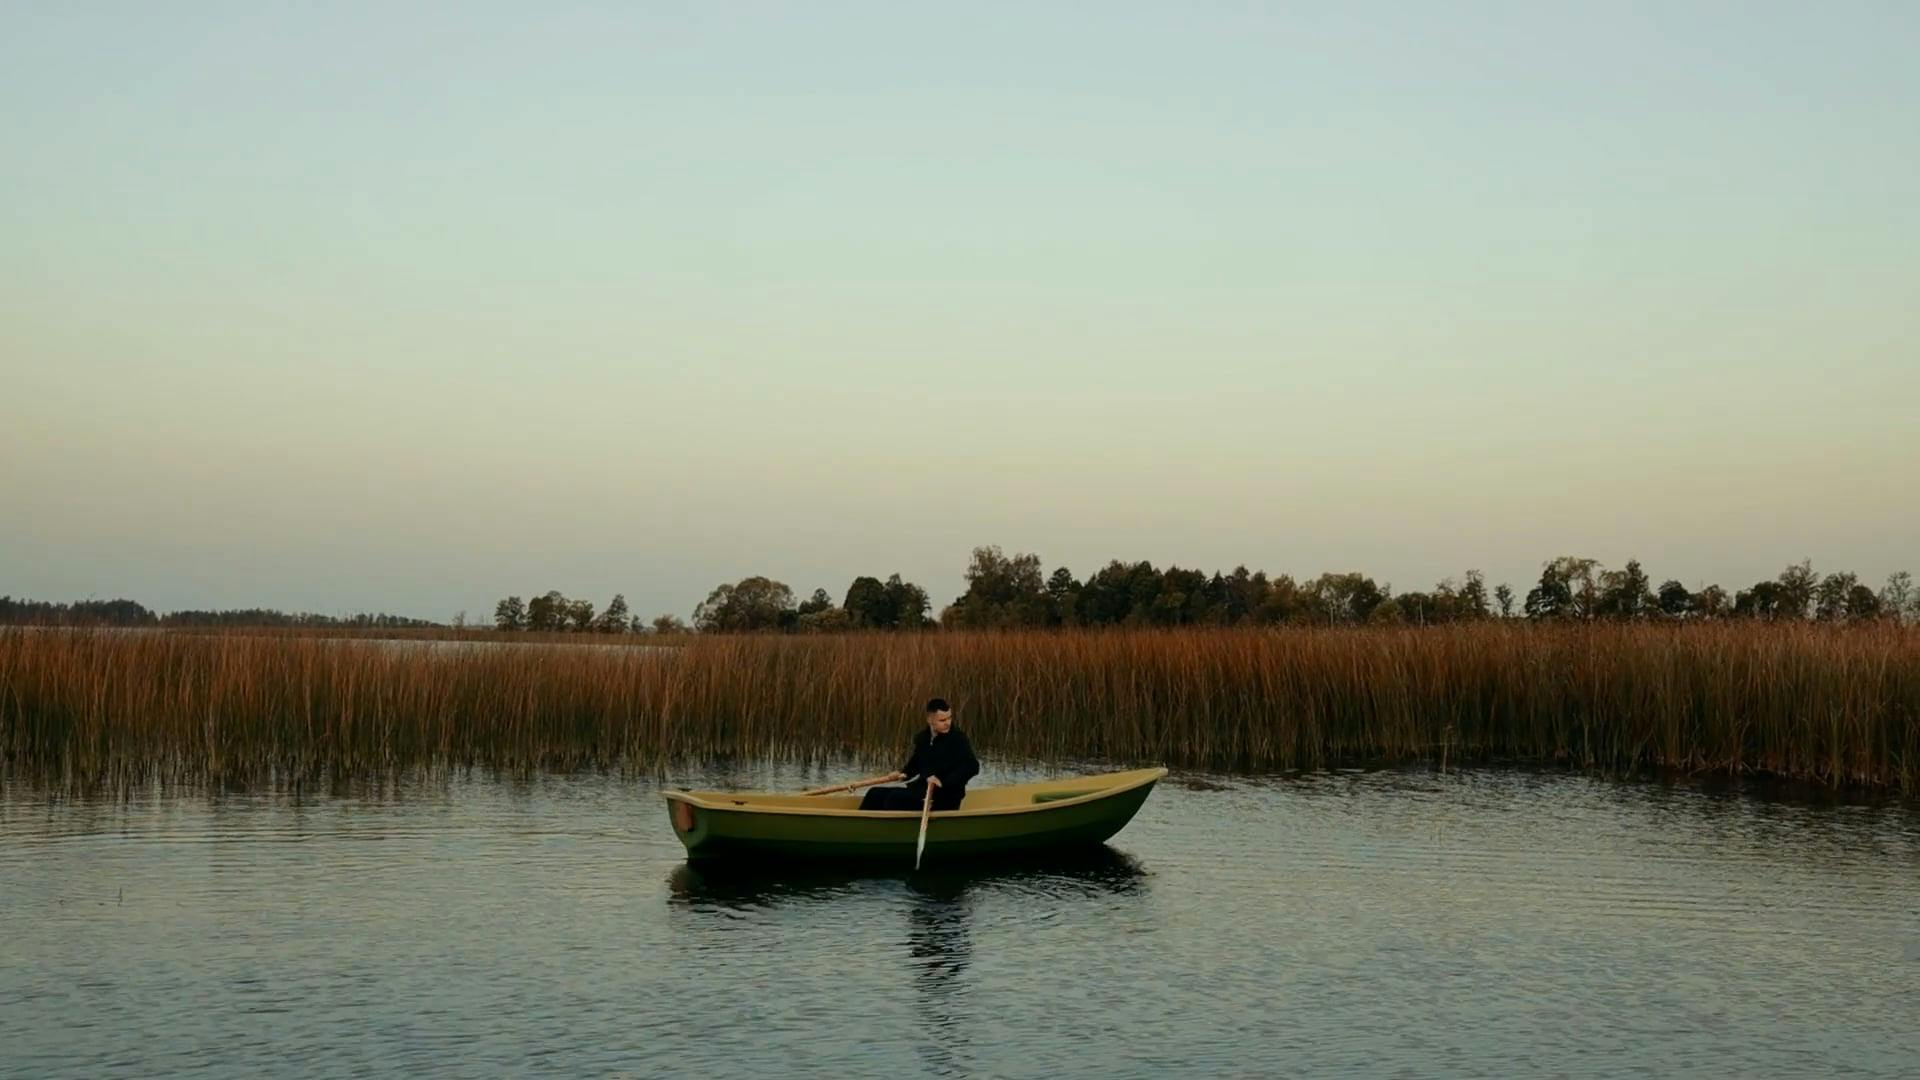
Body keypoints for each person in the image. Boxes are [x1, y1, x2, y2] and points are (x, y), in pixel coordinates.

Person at [860, 698, 979, 812]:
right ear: (930, 720)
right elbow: (917, 762)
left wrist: (943, 782)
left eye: (949, 718)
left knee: (894, 798)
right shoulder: (923, 738)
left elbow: (972, 766)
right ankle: (862, 825)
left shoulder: (958, 739)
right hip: (922, 791)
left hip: (945, 797)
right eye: (942, 720)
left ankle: (888, 829)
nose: (947, 723)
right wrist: (903, 774)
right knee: (874, 793)